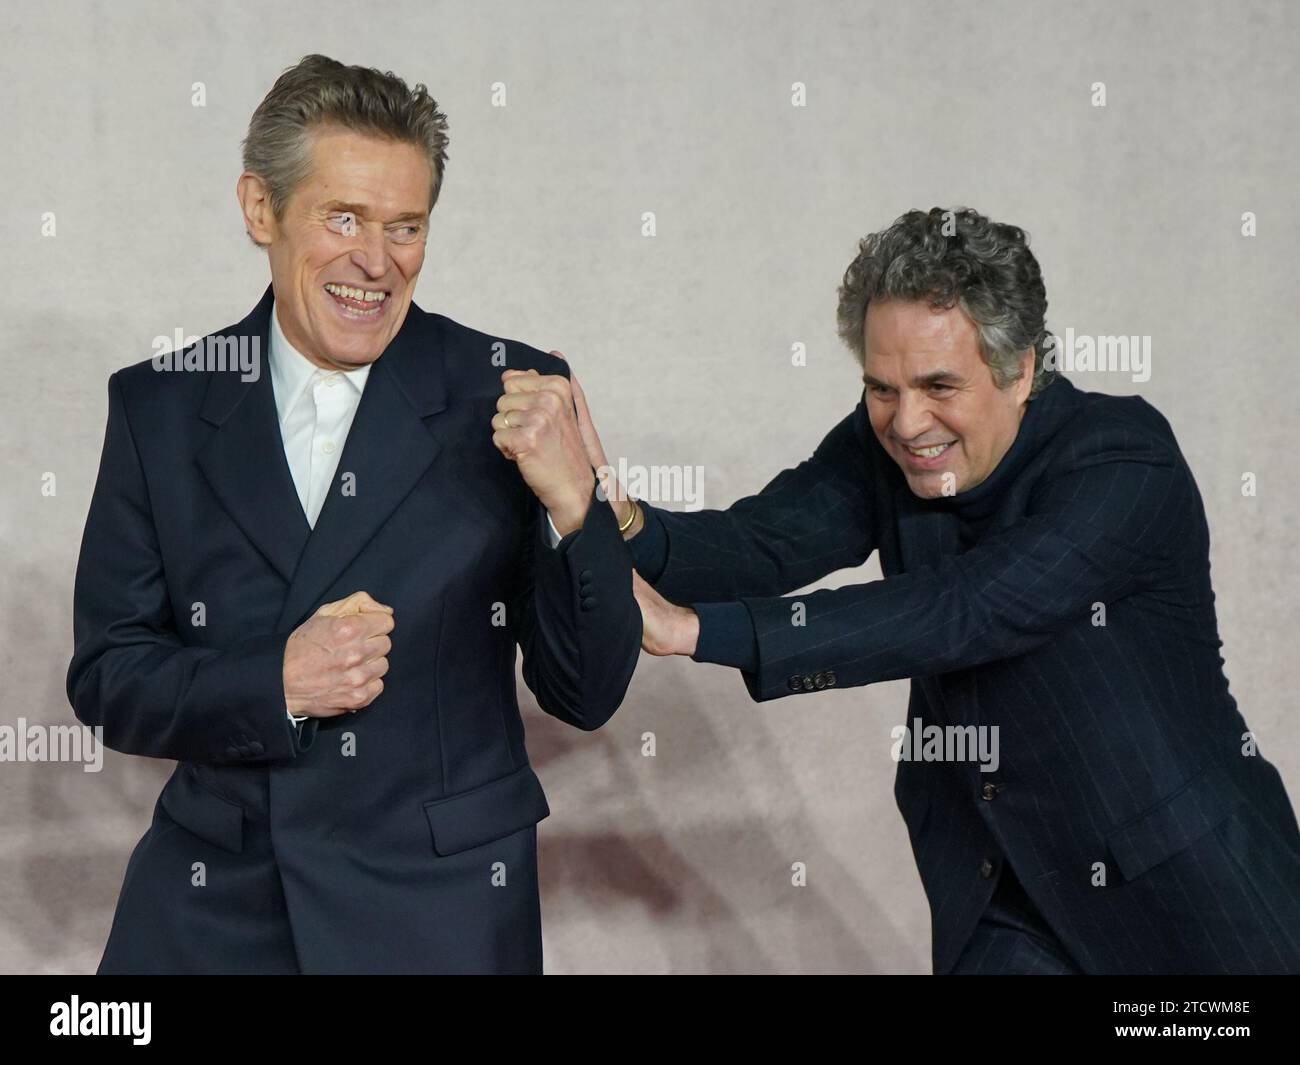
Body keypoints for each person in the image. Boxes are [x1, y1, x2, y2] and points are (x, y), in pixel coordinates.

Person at [571, 207, 1300, 974]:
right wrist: (615, 512)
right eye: (880, 387)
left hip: (1191, 901)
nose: (907, 422)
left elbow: (968, 608)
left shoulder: (1123, 461)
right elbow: (766, 541)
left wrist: (693, 630)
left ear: (1020, 368)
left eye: (938, 385)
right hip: (1002, 900)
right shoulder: (884, 440)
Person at [66, 54, 640, 974]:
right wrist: (277, 684)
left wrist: (579, 509)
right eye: (344, 219)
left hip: (438, 914)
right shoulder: (159, 406)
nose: (376, 262)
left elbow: (587, 690)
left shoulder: (511, 391)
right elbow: (110, 678)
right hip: (216, 911)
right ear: (261, 210)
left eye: (405, 226)